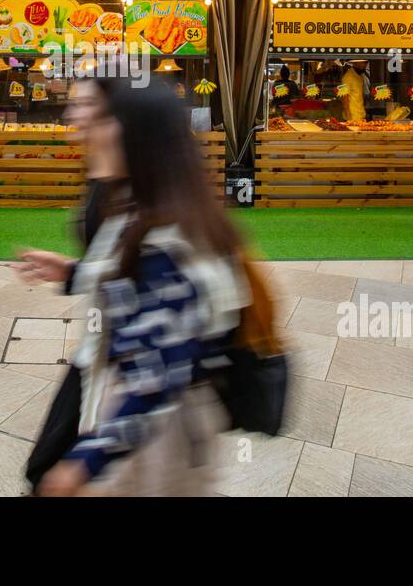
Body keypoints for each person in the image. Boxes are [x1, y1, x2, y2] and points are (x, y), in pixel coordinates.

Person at [21, 79, 250, 496]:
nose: (88, 128)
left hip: (159, 443)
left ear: (139, 138)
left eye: (104, 118)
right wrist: (71, 273)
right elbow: (123, 277)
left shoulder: (169, 240)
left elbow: (157, 378)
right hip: (133, 416)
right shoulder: (139, 206)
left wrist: (79, 467)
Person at [15, 77, 128, 493]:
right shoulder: (103, 167)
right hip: (100, 343)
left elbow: (147, 263)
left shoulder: (137, 183)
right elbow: (117, 256)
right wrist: (71, 271)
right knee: (46, 467)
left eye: (83, 104)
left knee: (53, 468)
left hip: (127, 351)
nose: (69, 113)